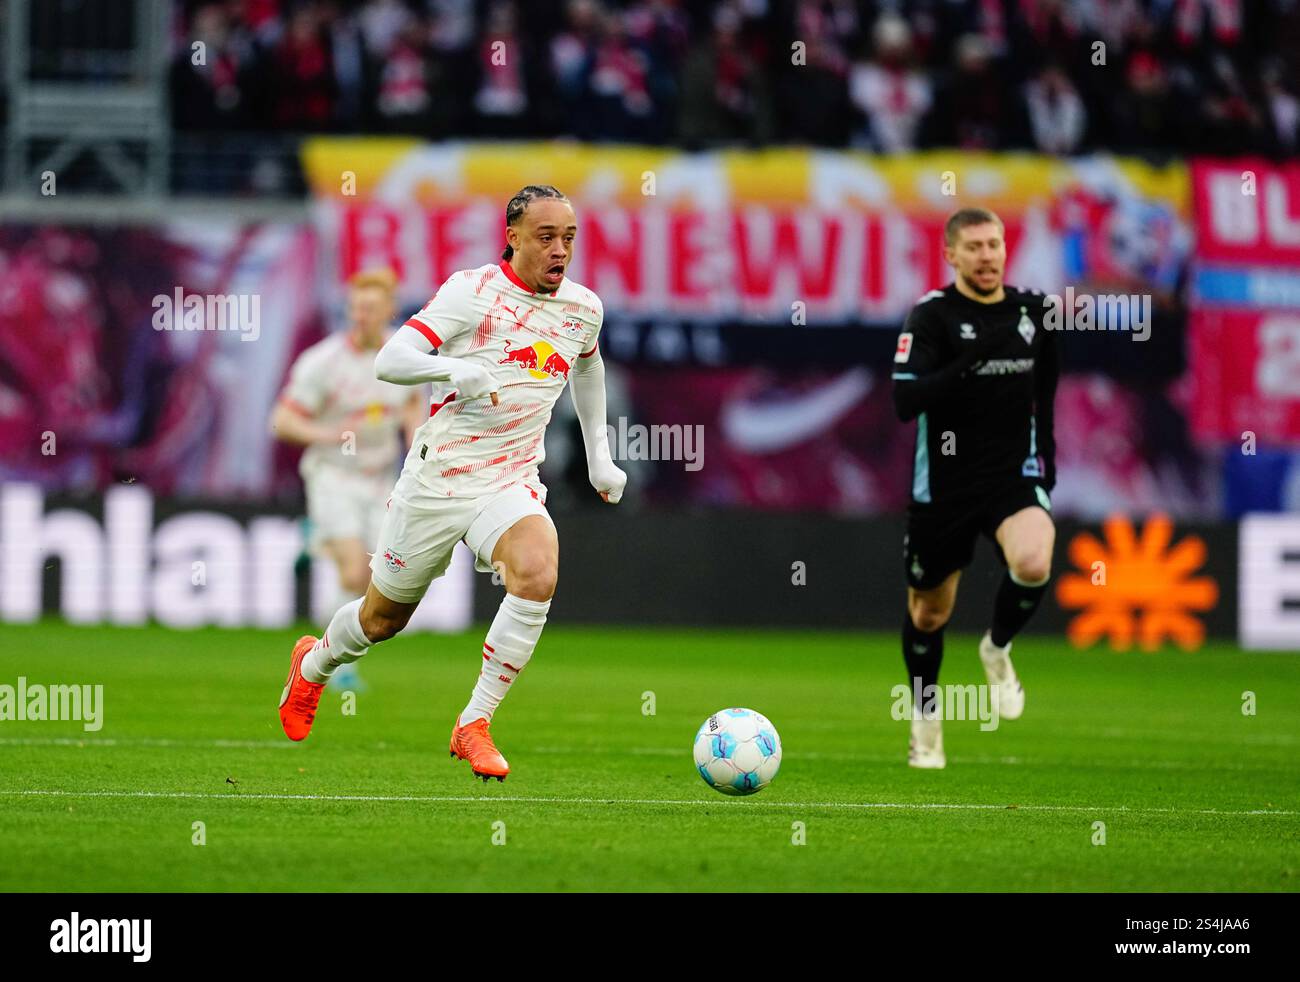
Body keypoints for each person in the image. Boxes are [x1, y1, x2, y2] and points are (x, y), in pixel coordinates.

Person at [278, 185, 627, 781]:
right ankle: (314, 663)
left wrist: (600, 455)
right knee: (380, 620)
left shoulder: (582, 309)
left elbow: (588, 366)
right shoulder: (473, 293)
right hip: (437, 482)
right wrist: (455, 368)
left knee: (538, 569)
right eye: (545, 237)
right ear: (513, 237)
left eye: (568, 237)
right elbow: (393, 359)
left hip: (511, 478)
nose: (559, 250)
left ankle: (474, 723)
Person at [891, 207, 1059, 769]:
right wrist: (974, 357)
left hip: (1014, 476)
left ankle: (998, 647)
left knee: (1034, 561)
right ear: (951, 255)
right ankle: (925, 716)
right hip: (944, 484)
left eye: (995, 245)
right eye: (975, 247)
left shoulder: (1033, 311)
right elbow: (905, 401)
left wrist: (1048, 466)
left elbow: (1048, 394)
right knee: (929, 616)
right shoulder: (932, 316)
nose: (987, 256)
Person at [269, 267, 425, 693]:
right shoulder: (323, 362)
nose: (362, 316)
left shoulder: (403, 355)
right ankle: (332, 663)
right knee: (354, 571)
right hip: (333, 474)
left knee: (377, 581)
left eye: (372, 309)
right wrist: (328, 434)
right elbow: (281, 421)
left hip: (381, 480)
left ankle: (313, 539)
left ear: (390, 310)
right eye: (356, 308)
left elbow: (412, 407)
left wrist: (419, 449)